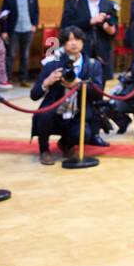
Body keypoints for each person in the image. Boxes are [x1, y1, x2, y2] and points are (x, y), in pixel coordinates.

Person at [30, 26, 108, 165]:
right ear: (63, 44)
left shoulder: (92, 65)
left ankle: (66, 144)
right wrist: (46, 82)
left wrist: (80, 84)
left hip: (78, 112)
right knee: (44, 114)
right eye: (69, 40)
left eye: (77, 39)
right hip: (55, 111)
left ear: (83, 42)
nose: (74, 43)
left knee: (84, 134)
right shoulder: (52, 64)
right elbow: (34, 95)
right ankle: (44, 149)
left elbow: (98, 94)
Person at [60, 0, 119, 68]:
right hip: (80, 50)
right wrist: (90, 21)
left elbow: (114, 29)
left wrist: (109, 29)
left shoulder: (109, 4)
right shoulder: (74, 2)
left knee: (99, 82)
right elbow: (65, 25)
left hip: (102, 51)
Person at [2, 0, 40, 87]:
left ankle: (23, 79)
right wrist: (4, 31)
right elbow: (4, 16)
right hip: (14, 30)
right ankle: (8, 79)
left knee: (25, 55)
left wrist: (34, 24)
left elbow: (36, 11)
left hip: (28, 29)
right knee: (11, 55)